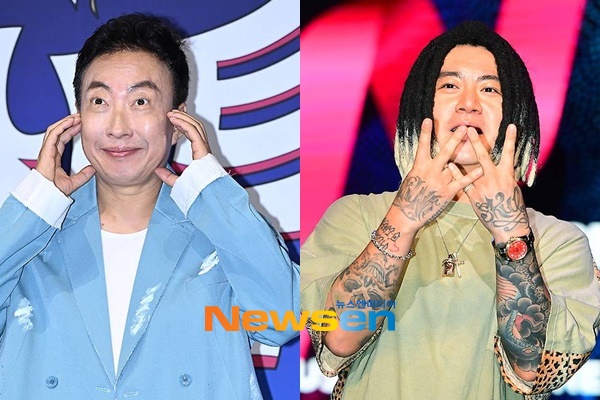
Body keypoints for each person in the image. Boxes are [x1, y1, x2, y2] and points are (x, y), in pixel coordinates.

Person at [0, 13, 298, 399]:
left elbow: (283, 318)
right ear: (78, 117)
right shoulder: (33, 230)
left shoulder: (218, 227)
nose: (118, 127)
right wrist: (35, 204)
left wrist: (211, 191)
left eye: (140, 101)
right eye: (99, 101)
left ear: (178, 121)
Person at [301, 21, 600, 399]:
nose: (468, 103)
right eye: (449, 86)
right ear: (420, 106)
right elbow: (339, 338)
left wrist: (510, 230)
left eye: (489, 89)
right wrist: (404, 217)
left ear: (516, 114)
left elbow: (532, 369)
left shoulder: (558, 241)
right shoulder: (355, 215)